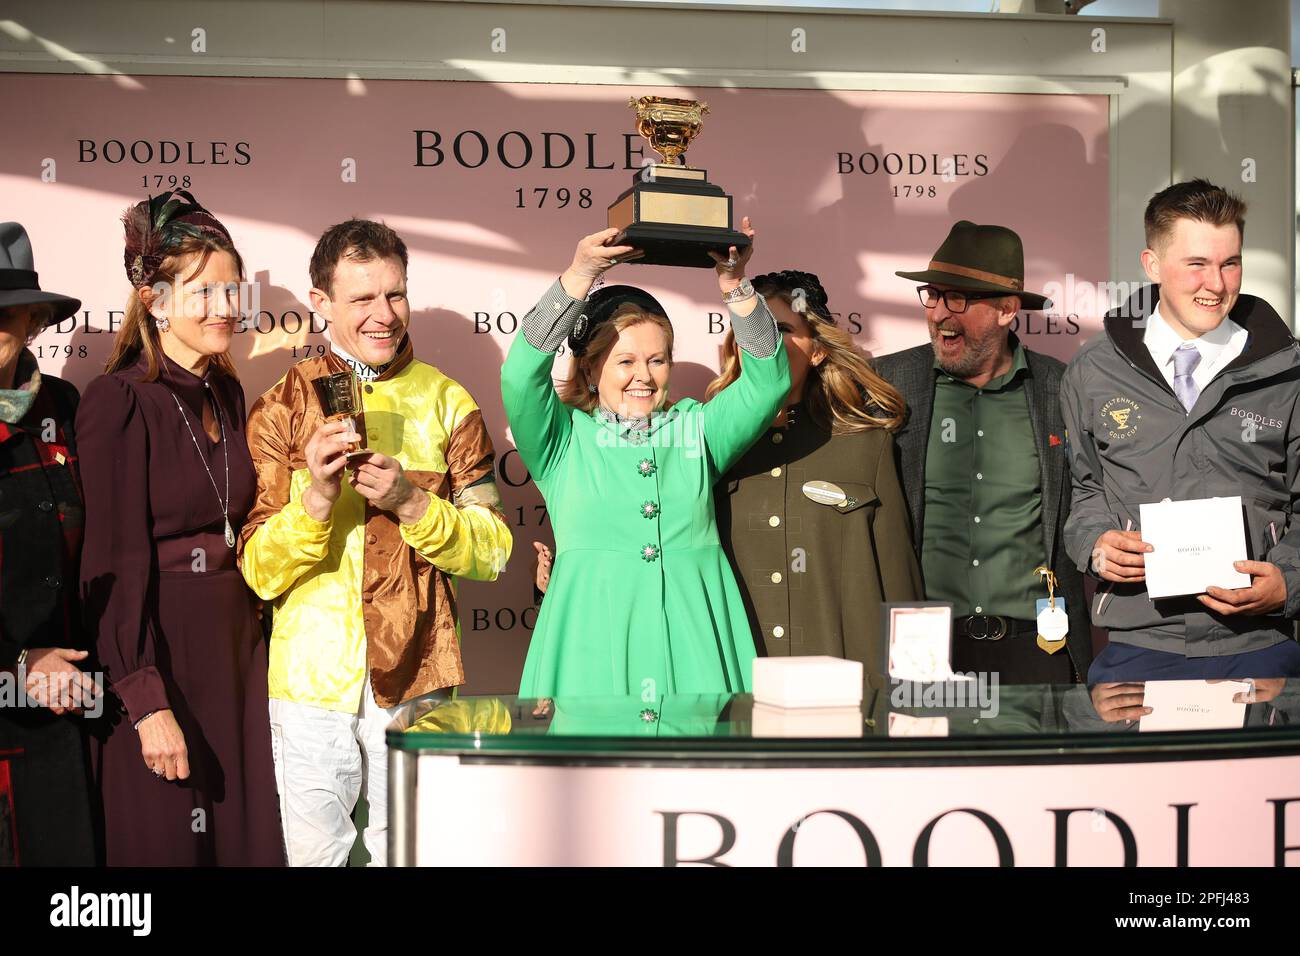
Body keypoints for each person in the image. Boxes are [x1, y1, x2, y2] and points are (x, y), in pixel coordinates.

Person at [239, 219, 512, 867]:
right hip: (309, 680)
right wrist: (318, 501)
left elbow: (494, 550)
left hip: (418, 668)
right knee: (313, 857)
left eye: (394, 294)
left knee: (415, 853)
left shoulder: (449, 401)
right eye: (361, 299)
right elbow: (257, 569)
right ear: (320, 304)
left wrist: (410, 503)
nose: (382, 315)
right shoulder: (280, 406)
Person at [501, 220, 790, 699]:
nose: (644, 376)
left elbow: (769, 383)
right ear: (592, 369)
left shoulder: (697, 429)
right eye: (626, 361)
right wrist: (579, 274)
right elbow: (519, 376)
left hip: (695, 649)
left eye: (658, 360)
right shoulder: (561, 439)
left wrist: (736, 287)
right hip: (589, 652)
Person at [78, 190, 282, 865]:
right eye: (202, 292)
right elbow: (109, 564)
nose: (224, 308)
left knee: (245, 842)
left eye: (232, 290)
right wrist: (143, 699)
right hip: (160, 658)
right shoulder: (118, 402)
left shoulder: (227, 393)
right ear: (156, 301)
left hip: (237, 658)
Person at [1061, 179, 1300, 701]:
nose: (1215, 283)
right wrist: (1097, 546)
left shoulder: (1288, 370)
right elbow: (1085, 493)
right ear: (1152, 265)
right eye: (1196, 264)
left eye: (1230, 263)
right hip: (1138, 646)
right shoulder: (1094, 370)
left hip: (1265, 647)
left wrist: (1288, 581)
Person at [873, 221, 1091, 683]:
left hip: (1036, 650)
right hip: (920, 652)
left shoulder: (1061, 390)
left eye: (959, 299)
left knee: (1036, 760)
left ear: (1007, 310)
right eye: (933, 295)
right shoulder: (888, 384)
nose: (939, 314)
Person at [708, 269, 921, 677]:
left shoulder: (866, 446)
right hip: (735, 693)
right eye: (751, 328)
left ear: (819, 350)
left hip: (844, 699)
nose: (764, 342)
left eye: (782, 329)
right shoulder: (704, 446)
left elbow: (900, 587)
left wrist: (914, 701)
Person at [0, 222, 97, 865]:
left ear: (32, 320)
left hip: (61, 713)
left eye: (3, 315)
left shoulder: (63, 404)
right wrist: (17, 665)